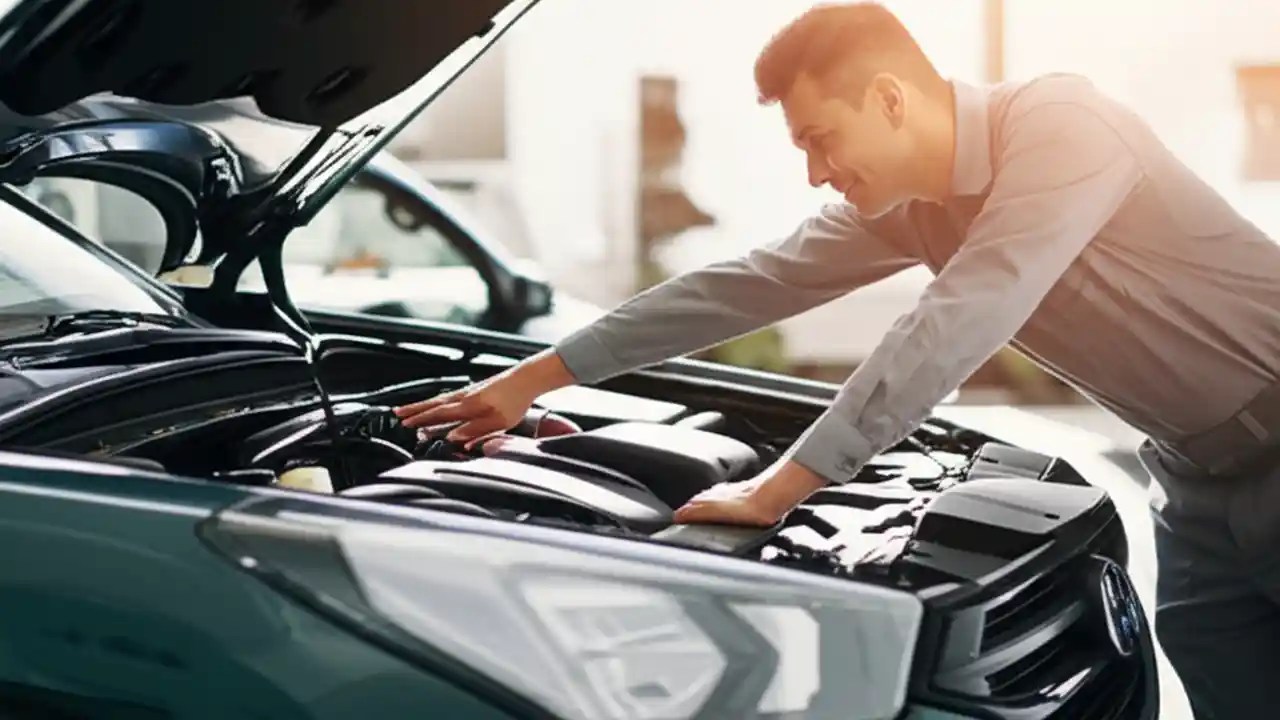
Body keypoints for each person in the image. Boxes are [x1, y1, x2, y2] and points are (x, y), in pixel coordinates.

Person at [394, 4, 1280, 715]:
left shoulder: (1063, 126)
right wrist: (529, 380)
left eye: (822, 138)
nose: (817, 172)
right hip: (1194, 481)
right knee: (1224, 680)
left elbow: (964, 311)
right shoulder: (906, 204)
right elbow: (745, 285)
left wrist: (785, 485)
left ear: (891, 101)